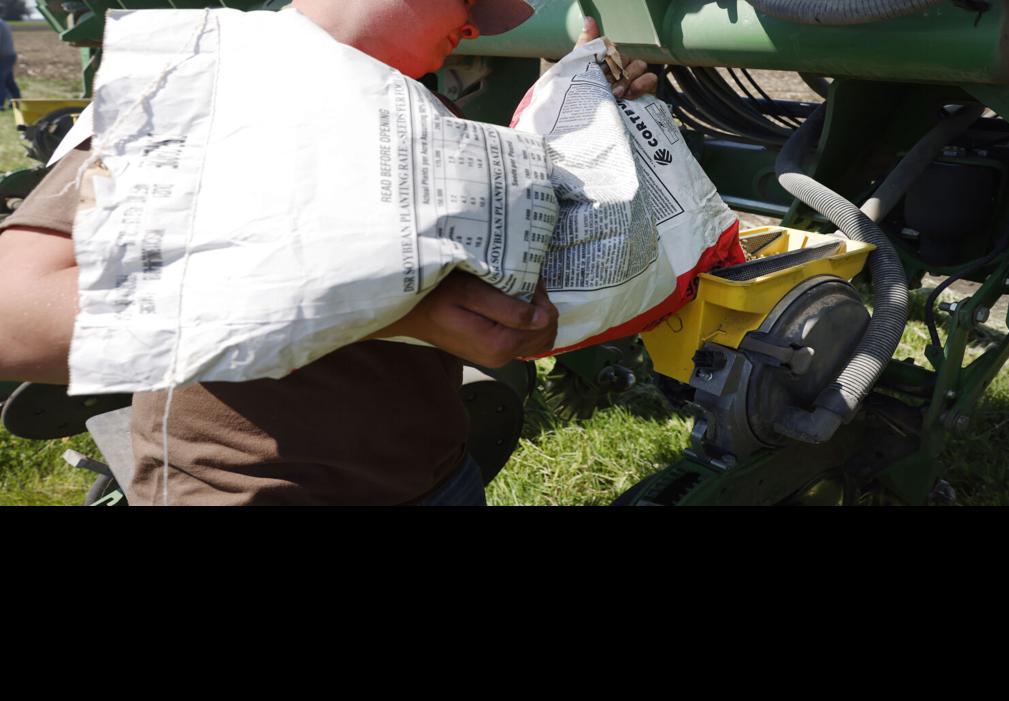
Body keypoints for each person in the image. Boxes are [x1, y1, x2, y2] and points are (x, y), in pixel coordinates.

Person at [0, 0, 658, 504]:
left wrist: (596, 126)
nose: (483, 26)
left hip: (436, 479)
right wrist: (396, 313)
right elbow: (17, 313)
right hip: (251, 491)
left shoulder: (415, 104)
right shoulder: (196, 82)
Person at [1, 17, 22, 107]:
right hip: (9, 55)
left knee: (1, 81)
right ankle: (16, 102)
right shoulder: (3, 22)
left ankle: (0, 105)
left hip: (3, 56)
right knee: (9, 81)